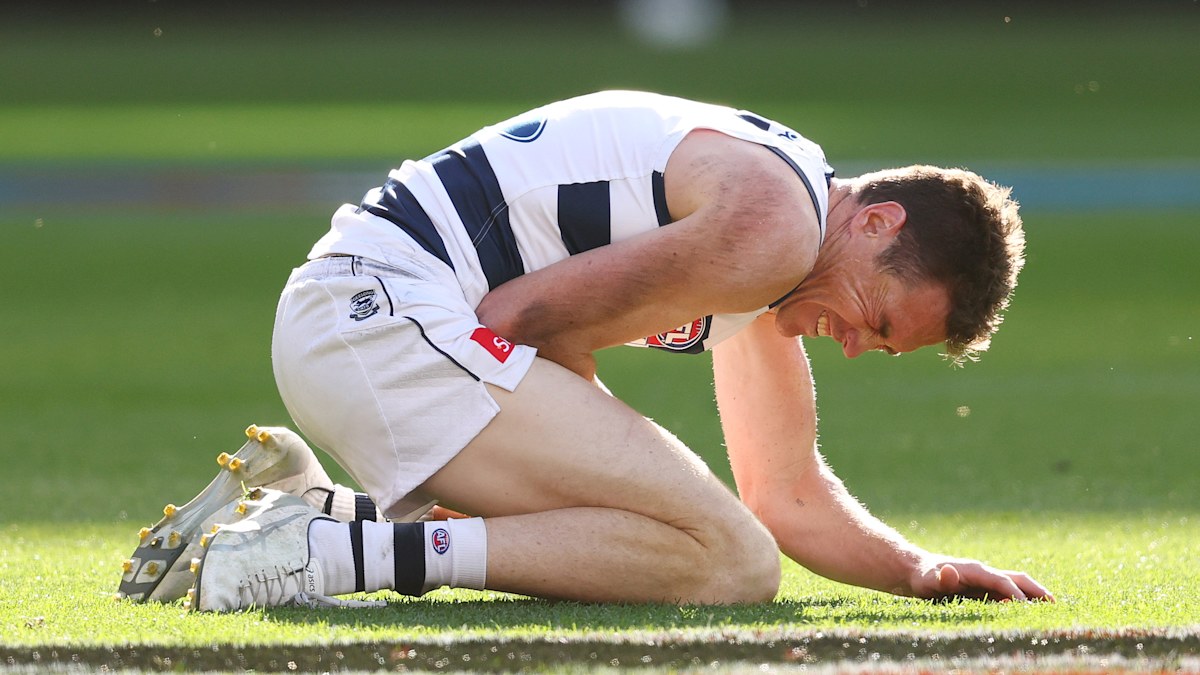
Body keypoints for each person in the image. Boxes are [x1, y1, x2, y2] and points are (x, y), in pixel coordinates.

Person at [120, 90, 1053, 610]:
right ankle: (322, 550)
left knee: (709, 540)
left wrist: (919, 571)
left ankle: (301, 509)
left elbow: (787, 491)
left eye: (878, 350)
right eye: (877, 320)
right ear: (878, 223)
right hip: (387, 316)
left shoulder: (779, 232)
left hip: (358, 320)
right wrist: (608, 495)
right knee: (727, 558)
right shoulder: (778, 228)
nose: (852, 346)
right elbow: (522, 314)